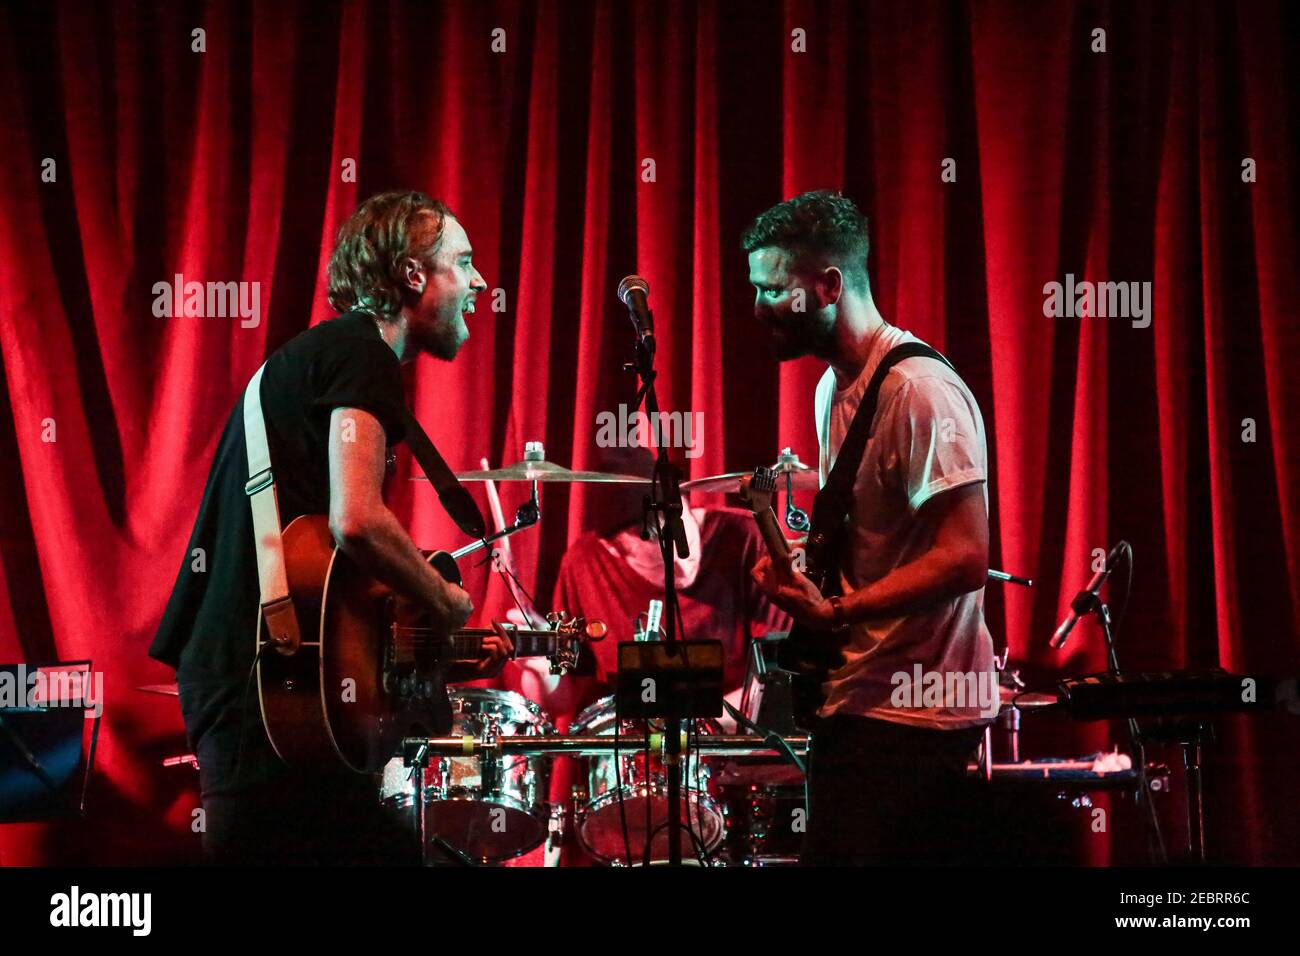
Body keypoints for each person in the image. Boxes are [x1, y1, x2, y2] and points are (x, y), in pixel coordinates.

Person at [149, 191, 512, 865]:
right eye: (462, 262)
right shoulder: (361, 353)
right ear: (412, 275)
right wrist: (447, 601)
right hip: (259, 683)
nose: (480, 282)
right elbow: (356, 522)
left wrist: (434, 646)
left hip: (273, 676)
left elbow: (328, 563)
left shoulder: (329, 354)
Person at [742, 190, 995, 865]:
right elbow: (877, 534)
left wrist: (839, 610)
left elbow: (966, 555)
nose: (759, 307)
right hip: (862, 698)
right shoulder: (835, 387)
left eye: (773, 290)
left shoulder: (919, 391)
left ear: (827, 285)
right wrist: (798, 561)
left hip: (912, 713)